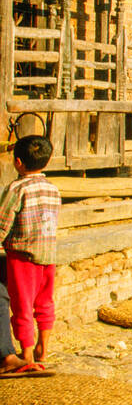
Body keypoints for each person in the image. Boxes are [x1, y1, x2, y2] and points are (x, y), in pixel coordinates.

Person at [0, 136, 60, 373]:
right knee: (44, 302)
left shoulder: (17, 188)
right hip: (48, 254)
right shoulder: (53, 189)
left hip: (22, 255)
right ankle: (43, 347)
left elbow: (3, 222)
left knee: (22, 305)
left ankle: (26, 355)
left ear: (17, 163)